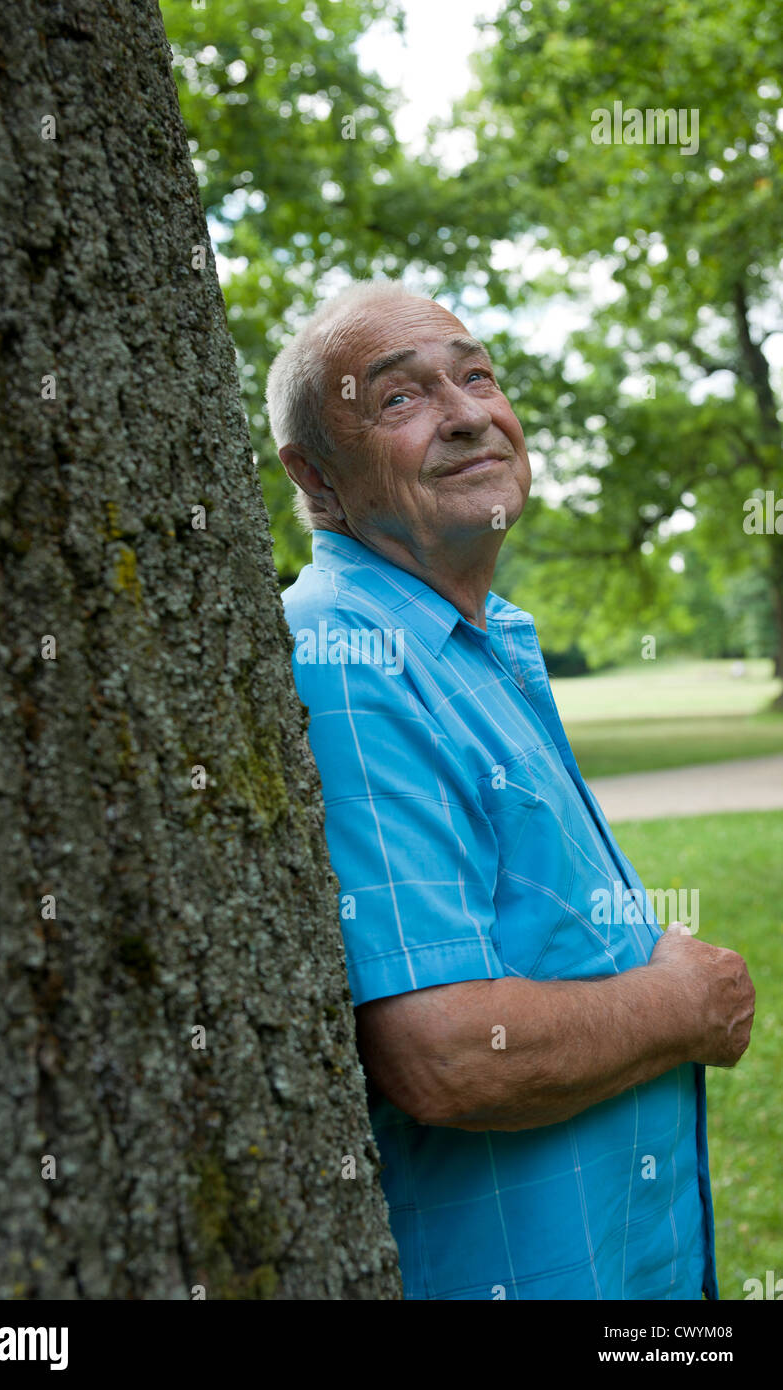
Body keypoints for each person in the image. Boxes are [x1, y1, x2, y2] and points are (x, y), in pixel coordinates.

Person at [266, 279, 755, 1300]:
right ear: (314, 473)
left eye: (476, 375)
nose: (465, 414)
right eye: (398, 398)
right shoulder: (344, 653)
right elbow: (442, 1052)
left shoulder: (483, 640)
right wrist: (674, 1004)